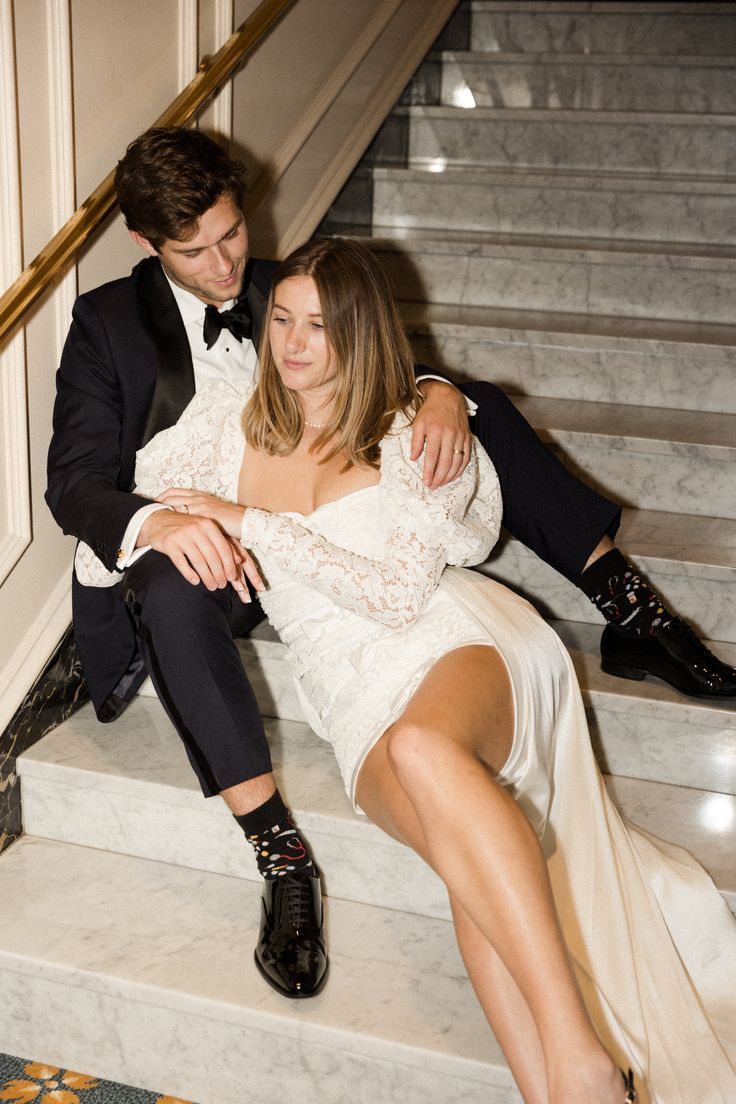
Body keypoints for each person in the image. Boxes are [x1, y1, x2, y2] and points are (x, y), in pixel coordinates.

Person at [46, 127, 734, 999]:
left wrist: (443, 392)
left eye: (233, 234)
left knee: (471, 414)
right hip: (209, 550)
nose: (226, 266)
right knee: (168, 583)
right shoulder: (105, 323)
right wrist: (160, 523)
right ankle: (282, 860)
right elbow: (72, 483)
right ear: (147, 244)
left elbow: (370, 369)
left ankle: (630, 608)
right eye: (196, 251)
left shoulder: (280, 288)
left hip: (306, 535)